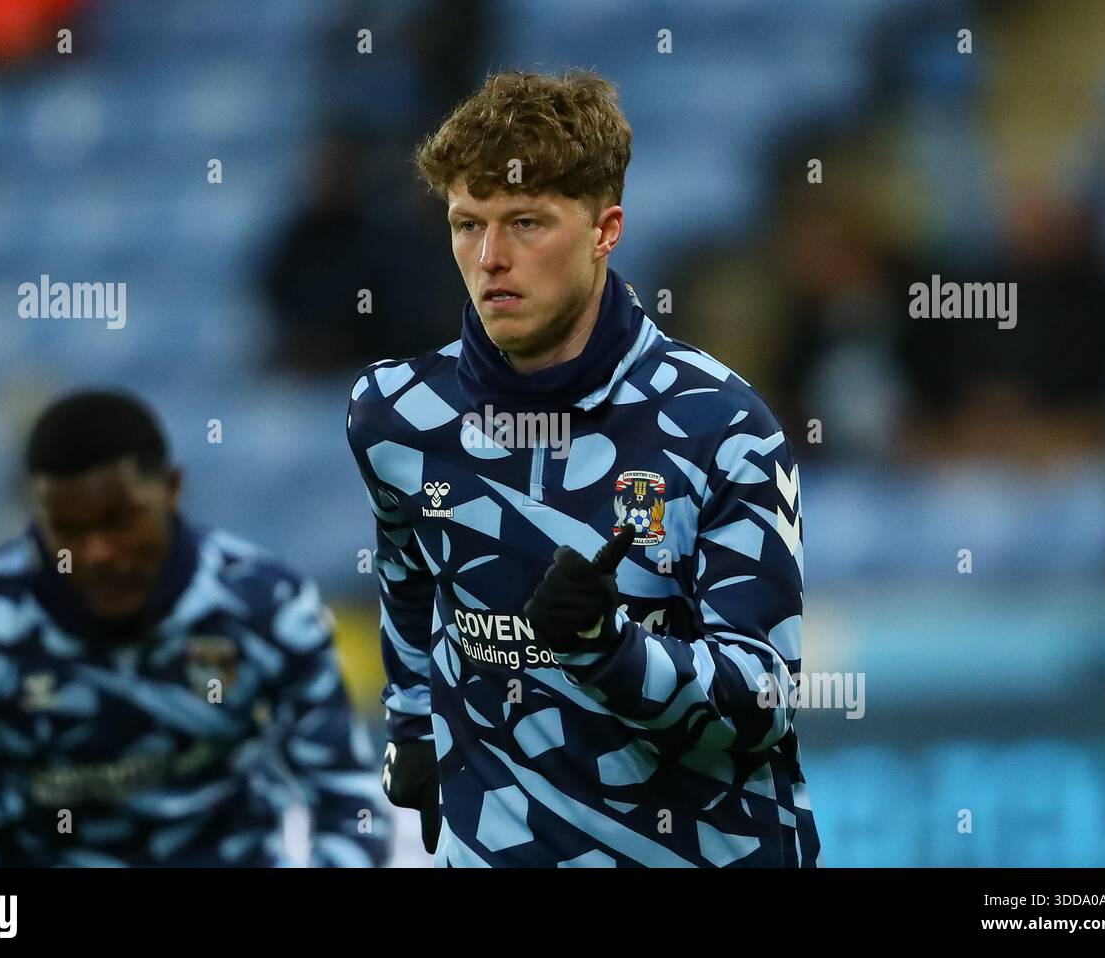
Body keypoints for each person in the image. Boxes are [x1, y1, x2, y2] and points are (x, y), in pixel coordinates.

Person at [348, 69, 822, 866]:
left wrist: (612, 647)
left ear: (606, 231)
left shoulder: (718, 424)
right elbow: (407, 577)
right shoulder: (395, 415)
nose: (492, 257)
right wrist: (410, 725)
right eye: (468, 225)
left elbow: (764, 699)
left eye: (526, 222)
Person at [0, 389, 390, 866]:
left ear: (171, 489)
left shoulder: (263, 606)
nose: (98, 553)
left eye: (121, 520)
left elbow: (347, 797)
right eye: (70, 529)